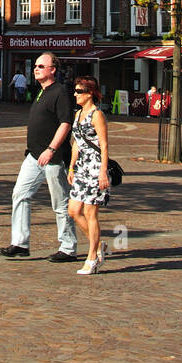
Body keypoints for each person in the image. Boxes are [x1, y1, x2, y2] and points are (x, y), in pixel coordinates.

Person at [0, 52, 77, 262]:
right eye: (35, 66)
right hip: (34, 156)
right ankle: (20, 242)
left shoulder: (60, 91)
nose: (36, 69)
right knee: (20, 194)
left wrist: (51, 149)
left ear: (53, 69)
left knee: (60, 203)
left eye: (41, 66)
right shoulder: (42, 92)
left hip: (53, 157)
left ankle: (68, 247)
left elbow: (65, 123)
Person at [67, 78, 111, 275]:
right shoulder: (77, 114)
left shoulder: (97, 115)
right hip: (82, 167)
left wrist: (103, 171)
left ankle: (92, 258)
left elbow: (103, 144)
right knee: (73, 211)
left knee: (90, 212)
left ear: (89, 93)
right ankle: (99, 245)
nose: (75, 94)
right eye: (75, 91)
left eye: (79, 91)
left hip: (95, 166)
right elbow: (76, 142)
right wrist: (71, 167)